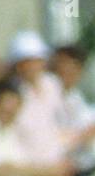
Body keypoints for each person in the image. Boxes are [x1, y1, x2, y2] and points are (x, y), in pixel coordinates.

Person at [0, 80, 73, 176]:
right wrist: (48, 172)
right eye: (7, 102)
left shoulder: (13, 130)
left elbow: (22, 166)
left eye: (16, 104)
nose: (10, 109)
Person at [8, 30, 72, 167]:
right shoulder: (13, 92)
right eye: (28, 62)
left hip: (58, 163)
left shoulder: (53, 84)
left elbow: (62, 122)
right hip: (30, 165)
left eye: (37, 60)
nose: (33, 66)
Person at [51, 45, 95, 173]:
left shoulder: (78, 100)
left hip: (83, 167)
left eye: (74, 69)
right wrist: (81, 137)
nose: (68, 72)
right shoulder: (46, 99)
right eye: (63, 67)